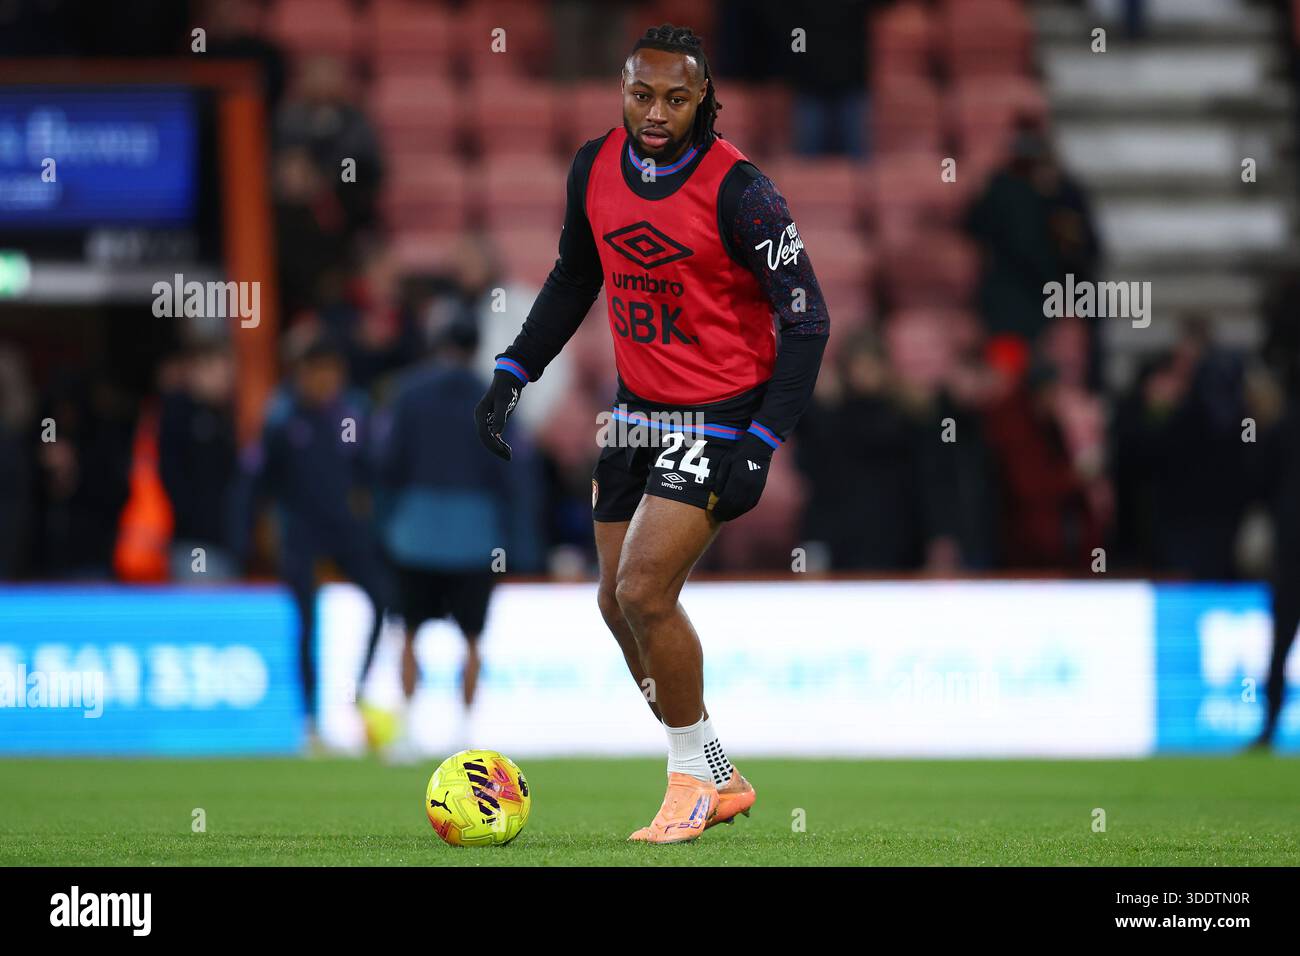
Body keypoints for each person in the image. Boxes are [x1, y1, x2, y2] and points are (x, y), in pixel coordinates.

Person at [474, 24, 830, 843]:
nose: (657, 112)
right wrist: (513, 373)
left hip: (721, 416)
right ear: (622, 92)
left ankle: (686, 785)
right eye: (642, 95)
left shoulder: (745, 191)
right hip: (636, 415)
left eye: (676, 97)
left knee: (643, 592)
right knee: (612, 602)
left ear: (704, 96)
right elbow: (574, 275)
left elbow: (806, 320)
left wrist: (763, 445)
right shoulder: (592, 166)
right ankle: (715, 770)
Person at [362, 318, 515, 762]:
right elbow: (509, 468)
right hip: (475, 532)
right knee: (472, 638)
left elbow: (387, 462)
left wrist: (384, 521)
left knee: (408, 631)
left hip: (416, 532)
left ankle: (408, 728)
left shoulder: (406, 392)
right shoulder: (495, 395)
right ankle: (466, 733)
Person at [236, 327, 390, 748]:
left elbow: (371, 473)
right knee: (305, 623)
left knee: (382, 600)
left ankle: (358, 692)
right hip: (301, 533)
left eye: (331, 373)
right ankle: (310, 723)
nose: (324, 381)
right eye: (316, 372)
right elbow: (257, 485)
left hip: (346, 531)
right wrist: (250, 538)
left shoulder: (353, 415)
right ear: (301, 374)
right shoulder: (283, 420)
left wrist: (371, 518)